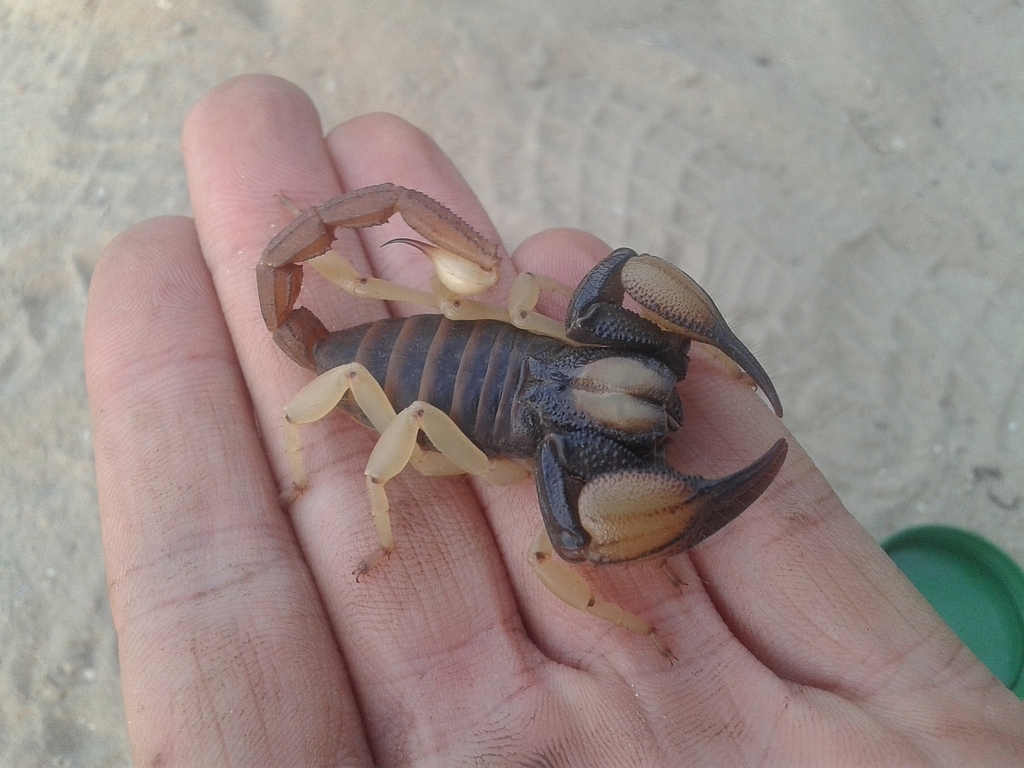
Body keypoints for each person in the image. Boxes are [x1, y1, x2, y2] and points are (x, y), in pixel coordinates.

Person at [84, 76, 1024, 766]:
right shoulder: (558, 463)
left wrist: (709, 345)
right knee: (459, 473)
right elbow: (554, 543)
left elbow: (598, 282)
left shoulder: (586, 351)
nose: (654, 397)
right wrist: (325, 487)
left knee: (570, 291)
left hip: (483, 351)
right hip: (396, 372)